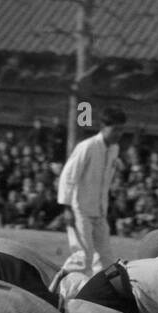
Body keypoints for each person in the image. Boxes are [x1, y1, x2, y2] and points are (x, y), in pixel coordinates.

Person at [57, 108, 127, 274]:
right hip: (79, 210)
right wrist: (66, 208)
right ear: (103, 127)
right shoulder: (87, 146)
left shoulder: (114, 149)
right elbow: (68, 176)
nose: (118, 133)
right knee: (82, 258)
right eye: (115, 129)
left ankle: (99, 296)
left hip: (100, 211)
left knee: (106, 259)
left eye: (121, 129)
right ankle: (59, 290)